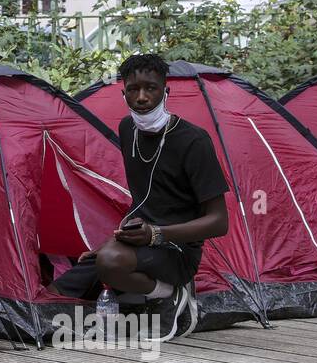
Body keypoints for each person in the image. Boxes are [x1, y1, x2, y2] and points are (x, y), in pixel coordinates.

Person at [49, 53, 230, 340]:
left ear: (165, 91)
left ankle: (169, 294)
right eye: (133, 89)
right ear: (124, 93)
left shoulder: (193, 141)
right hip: (141, 241)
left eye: (151, 88)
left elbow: (219, 222)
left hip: (178, 249)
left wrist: (156, 234)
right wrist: (113, 240)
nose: (142, 97)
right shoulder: (127, 129)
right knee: (59, 289)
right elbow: (144, 200)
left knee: (109, 263)